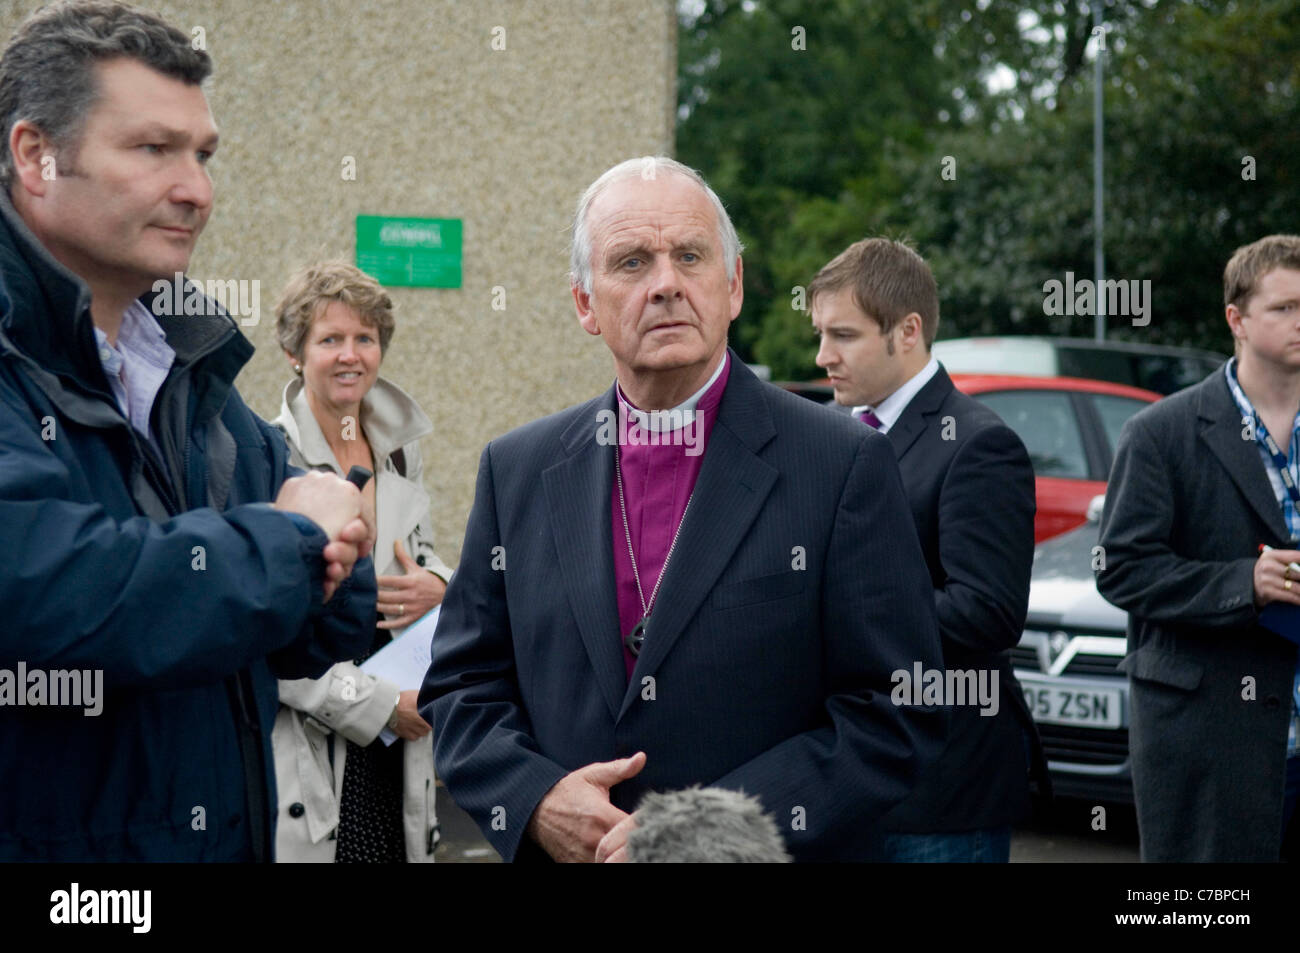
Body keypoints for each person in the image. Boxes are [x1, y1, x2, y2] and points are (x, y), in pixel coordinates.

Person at [419, 156, 946, 863]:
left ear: (731, 287)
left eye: (690, 256)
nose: (666, 283)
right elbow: (461, 685)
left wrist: (712, 833)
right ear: (585, 303)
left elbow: (896, 710)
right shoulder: (517, 470)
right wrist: (535, 797)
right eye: (632, 262)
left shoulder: (842, 464)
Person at [0, 0, 376, 862]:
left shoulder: (189, 369)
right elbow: (58, 593)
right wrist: (293, 538)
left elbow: (314, 632)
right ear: (36, 155)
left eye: (203, 155)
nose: (196, 190)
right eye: (152, 149)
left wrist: (328, 553)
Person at [809, 237, 1042, 862]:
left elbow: (987, 613)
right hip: (844, 781)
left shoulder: (978, 444)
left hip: (940, 792)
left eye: (844, 335)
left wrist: (833, 610)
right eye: (820, 334)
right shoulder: (833, 436)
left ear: (907, 331)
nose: (822, 355)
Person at [1097, 234, 1300, 861]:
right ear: (1236, 320)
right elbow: (1121, 569)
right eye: (1285, 308)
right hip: (1214, 744)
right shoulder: (1161, 432)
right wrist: (1247, 582)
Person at [270, 261, 454, 863]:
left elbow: (421, 556)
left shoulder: (400, 450)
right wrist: (380, 707)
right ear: (296, 354)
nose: (351, 355)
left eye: (365, 338)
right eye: (330, 339)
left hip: (407, 725)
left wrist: (439, 583)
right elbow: (264, 636)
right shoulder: (268, 456)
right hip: (321, 735)